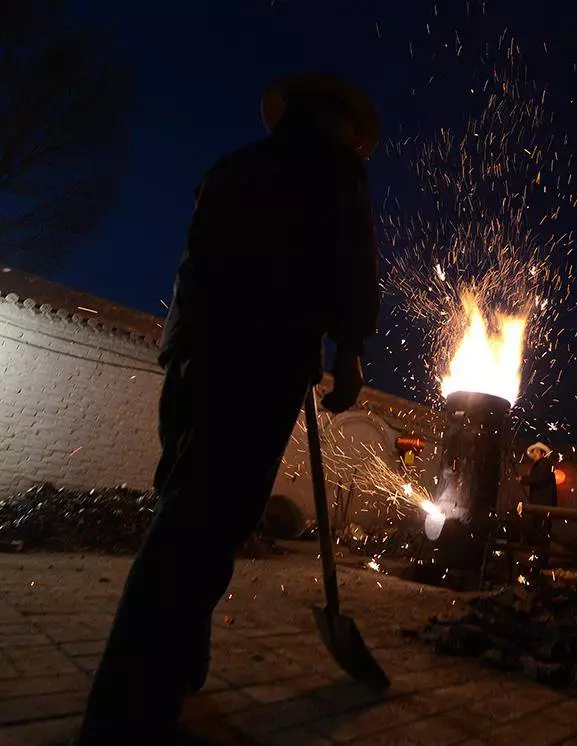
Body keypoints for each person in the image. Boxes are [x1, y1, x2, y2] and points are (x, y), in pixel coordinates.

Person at [78, 73, 382, 745]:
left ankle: (177, 670)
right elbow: (352, 266)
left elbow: (203, 266)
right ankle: (125, 718)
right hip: (259, 359)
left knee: (184, 506)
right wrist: (349, 350)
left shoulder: (233, 168)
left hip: (189, 355)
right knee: (202, 526)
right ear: (338, 127)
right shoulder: (333, 171)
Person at [518, 442, 557, 562]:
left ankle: (542, 559)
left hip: (544, 505)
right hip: (540, 504)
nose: (534, 454)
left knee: (542, 532)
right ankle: (538, 558)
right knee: (539, 531)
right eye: (533, 451)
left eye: (536, 451)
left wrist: (524, 479)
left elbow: (539, 480)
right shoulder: (540, 465)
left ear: (542, 453)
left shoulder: (544, 464)